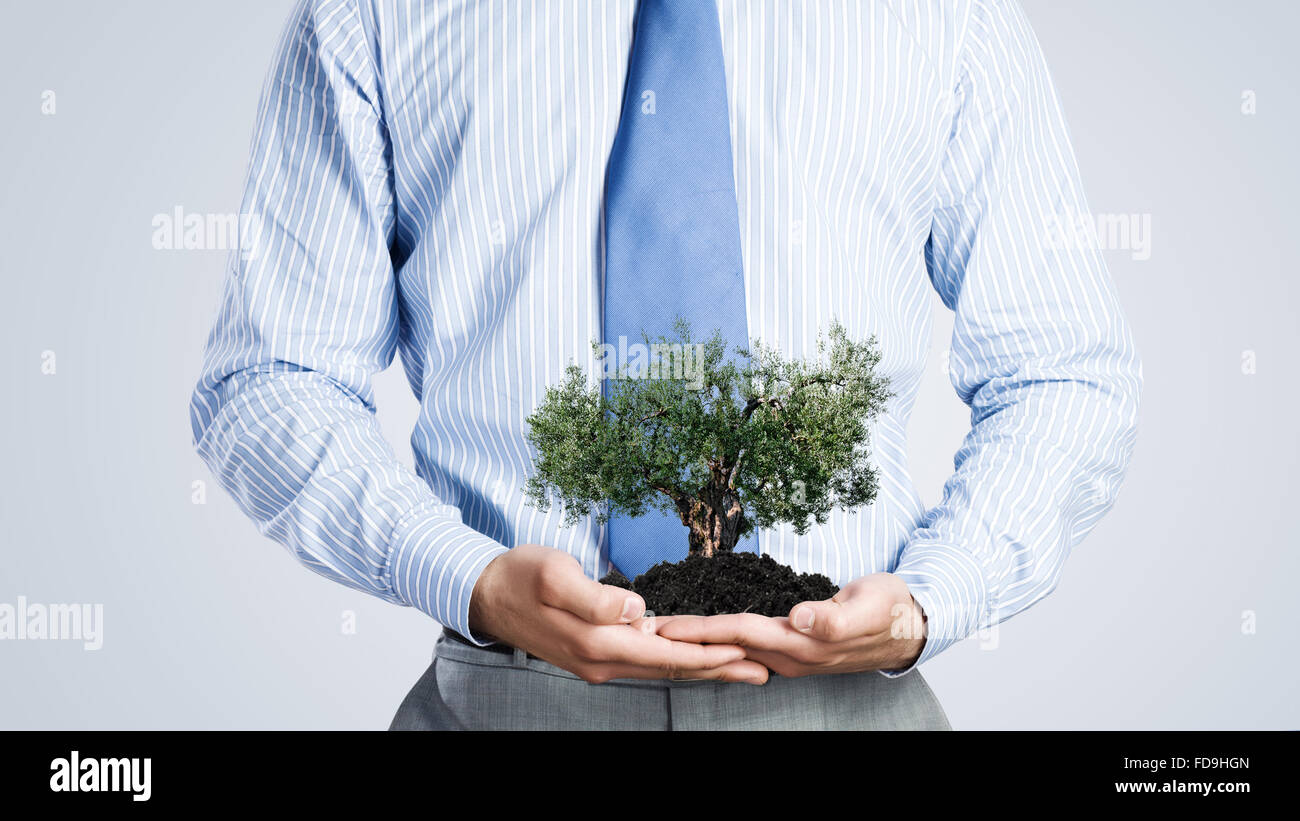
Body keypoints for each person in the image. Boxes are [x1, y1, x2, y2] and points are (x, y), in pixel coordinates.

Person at [191, 0, 1141, 731]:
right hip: (507, 703)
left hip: (845, 705)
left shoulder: (942, 17)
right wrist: (468, 576)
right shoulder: (379, 14)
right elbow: (273, 375)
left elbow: (1059, 369)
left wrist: (936, 595)